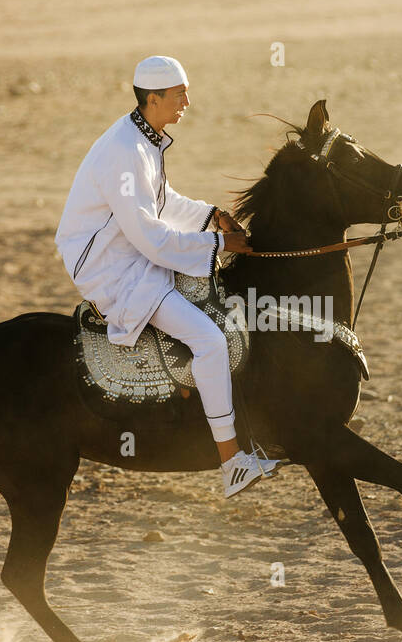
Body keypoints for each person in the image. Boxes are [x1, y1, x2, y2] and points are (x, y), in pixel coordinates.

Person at [55, 55, 280, 497]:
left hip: (128, 250)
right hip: (110, 267)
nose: (188, 102)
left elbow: (162, 200)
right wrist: (217, 245)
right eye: (180, 95)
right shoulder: (125, 151)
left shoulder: (144, 137)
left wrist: (212, 216)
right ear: (153, 98)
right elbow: (151, 239)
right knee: (211, 340)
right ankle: (232, 461)